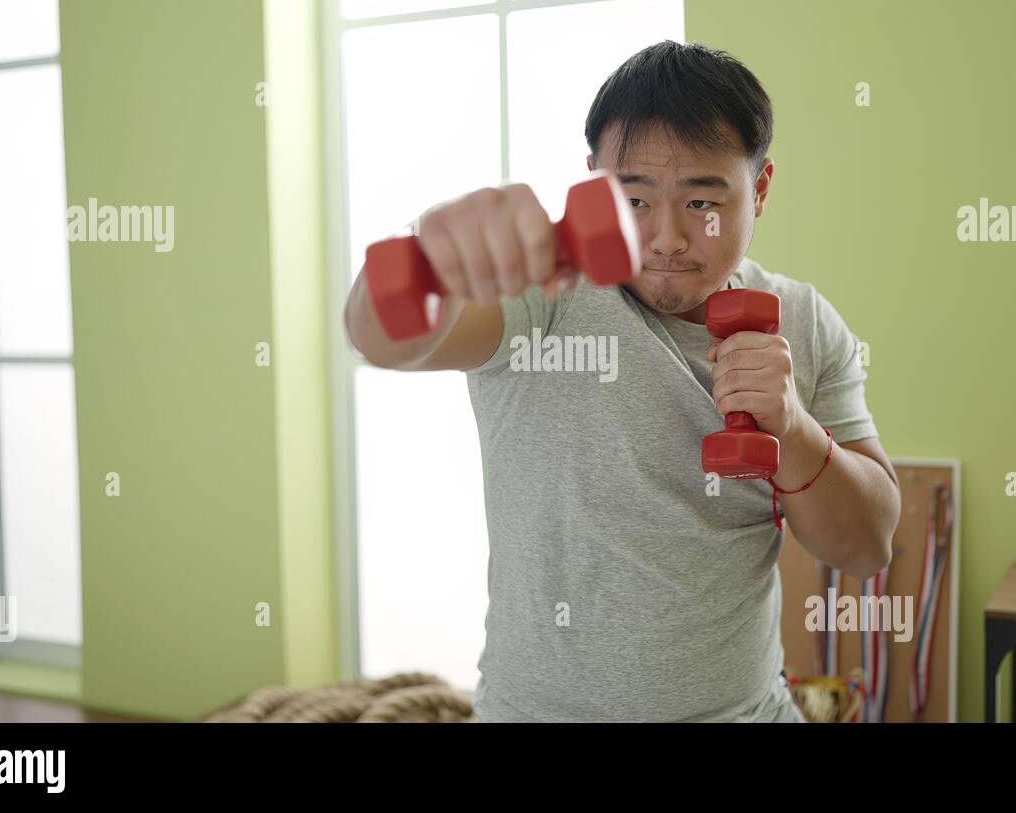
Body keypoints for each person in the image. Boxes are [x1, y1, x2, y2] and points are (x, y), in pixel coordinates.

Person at [344, 41, 901, 722]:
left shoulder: (806, 323)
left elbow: (868, 544)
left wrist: (793, 430)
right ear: (593, 185)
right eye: (634, 198)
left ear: (758, 189)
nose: (666, 237)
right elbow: (383, 336)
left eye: (702, 200)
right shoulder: (544, 291)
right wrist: (427, 261)